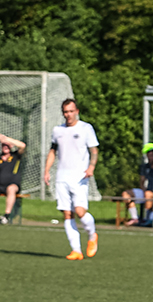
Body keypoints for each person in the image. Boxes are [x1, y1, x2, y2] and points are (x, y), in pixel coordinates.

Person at [43, 99, 99, 260]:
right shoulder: (57, 130)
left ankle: (92, 235)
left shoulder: (86, 128)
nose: (68, 114)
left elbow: (94, 150)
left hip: (80, 176)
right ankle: (76, 250)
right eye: (65, 112)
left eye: (71, 111)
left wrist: (91, 167)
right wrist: (47, 171)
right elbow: (53, 151)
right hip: (62, 177)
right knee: (67, 214)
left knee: (80, 212)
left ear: (77, 111)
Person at [122, 143, 153, 226]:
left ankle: (147, 219)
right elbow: (142, 181)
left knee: (148, 194)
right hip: (146, 191)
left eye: (151, 155)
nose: (150, 158)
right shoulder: (145, 167)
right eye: (148, 155)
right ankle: (135, 218)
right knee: (126, 194)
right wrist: (143, 190)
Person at [0, 132, 27, 225]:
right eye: (3, 145)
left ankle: (6, 216)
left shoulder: (16, 156)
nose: (5, 147)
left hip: (13, 185)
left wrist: (6, 139)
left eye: (7, 145)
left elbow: (22, 146)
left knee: (11, 189)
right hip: (1, 186)